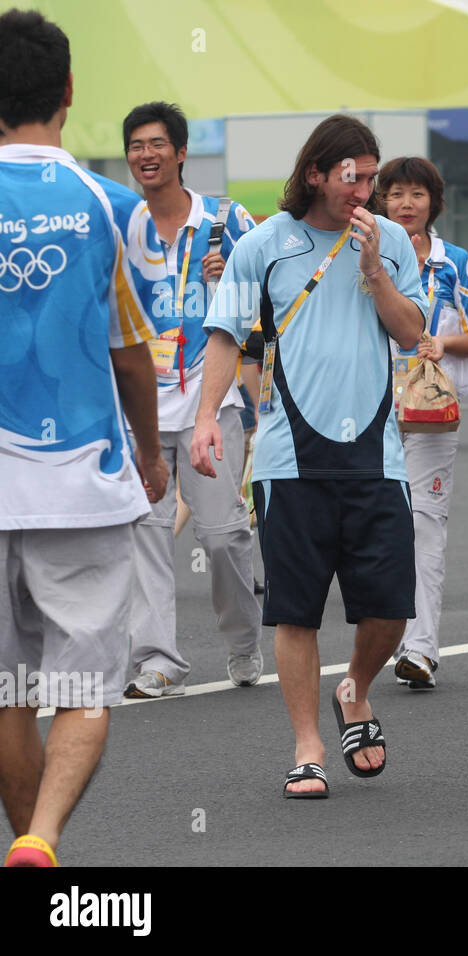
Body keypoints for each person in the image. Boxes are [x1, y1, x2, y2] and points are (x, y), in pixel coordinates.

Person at [193, 114, 427, 798]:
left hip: (377, 457)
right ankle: (307, 747)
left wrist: (375, 270)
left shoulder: (389, 242)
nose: (364, 187)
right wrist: (207, 417)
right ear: (317, 173)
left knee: (390, 607)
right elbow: (225, 334)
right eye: (352, 173)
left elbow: (413, 334)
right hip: (288, 459)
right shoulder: (263, 244)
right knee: (295, 611)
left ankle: (354, 690)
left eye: (371, 175)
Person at [0, 8, 167, 866]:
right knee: (83, 687)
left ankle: (28, 845)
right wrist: (150, 449)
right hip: (81, 480)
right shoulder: (108, 206)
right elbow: (133, 356)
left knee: (5, 693)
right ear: (68, 92)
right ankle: (43, 838)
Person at [117, 101, 263, 698]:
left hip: (211, 401)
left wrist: (230, 275)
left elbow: (265, 305)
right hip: (141, 407)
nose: (144, 155)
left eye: (156, 144)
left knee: (223, 535)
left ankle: (244, 640)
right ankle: (158, 661)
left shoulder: (229, 221)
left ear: (180, 153)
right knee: (144, 532)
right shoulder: (121, 223)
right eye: (135, 146)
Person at [380, 156, 468, 691]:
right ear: (381, 201)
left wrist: (443, 343)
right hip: (367, 408)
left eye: (417, 195)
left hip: (427, 411)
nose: (406, 204)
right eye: (396, 194)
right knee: (380, 524)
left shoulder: (455, 263)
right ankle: (385, 635)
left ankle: (421, 649)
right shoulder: (364, 253)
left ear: (433, 202)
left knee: (425, 521)